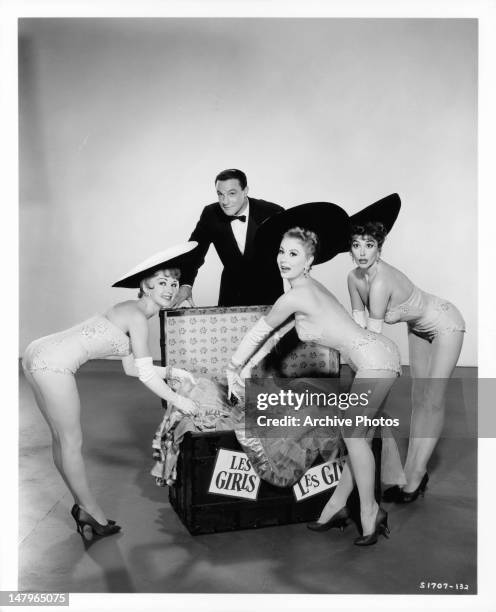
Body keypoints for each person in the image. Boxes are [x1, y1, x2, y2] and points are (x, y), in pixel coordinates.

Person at [225, 203, 402, 546]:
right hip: (374, 356)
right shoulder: (304, 290)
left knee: (353, 436)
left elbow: (258, 333)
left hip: (375, 360)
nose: (284, 258)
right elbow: (275, 338)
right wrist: (246, 370)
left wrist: (233, 368)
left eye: (294, 253)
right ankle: (337, 507)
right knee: (359, 440)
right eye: (281, 251)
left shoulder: (298, 295)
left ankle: (370, 512)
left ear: (309, 260)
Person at [22, 243, 200, 542]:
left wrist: (173, 373)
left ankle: (84, 508)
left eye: (172, 283)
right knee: (71, 441)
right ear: (146, 286)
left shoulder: (135, 313)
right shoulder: (137, 316)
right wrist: (179, 399)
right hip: (52, 364)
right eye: (161, 283)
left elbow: (132, 368)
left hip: (38, 353)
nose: (169, 289)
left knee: (61, 439)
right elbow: (144, 372)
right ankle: (90, 511)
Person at [347, 194, 465, 502]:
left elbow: (372, 336)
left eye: (369, 245)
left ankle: (413, 479)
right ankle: (413, 473)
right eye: (357, 244)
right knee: (417, 399)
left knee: (433, 399)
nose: (362, 252)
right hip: (418, 328)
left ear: (380, 248)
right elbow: (360, 332)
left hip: (445, 322)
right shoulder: (354, 279)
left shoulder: (381, 280)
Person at [171, 168, 285, 307]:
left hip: (271, 296)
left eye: (231, 194)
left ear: (245, 191)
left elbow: (293, 250)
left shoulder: (272, 212)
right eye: (220, 194)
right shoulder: (211, 214)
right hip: (231, 296)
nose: (225, 201)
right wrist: (186, 285)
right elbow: (194, 253)